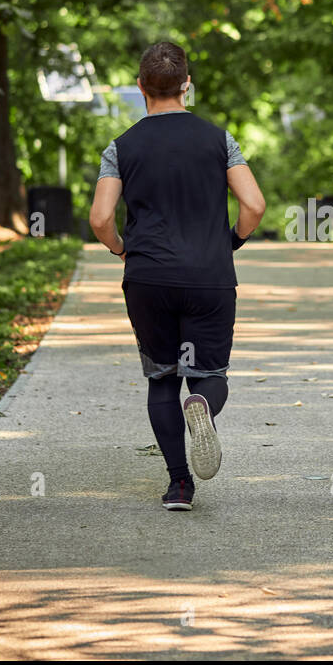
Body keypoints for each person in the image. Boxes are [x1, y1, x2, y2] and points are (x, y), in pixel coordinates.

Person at [90, 41, 266, 511]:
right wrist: (232, 241)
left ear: (141, 87)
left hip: (148, 279)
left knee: (162, 379)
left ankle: (179, 486)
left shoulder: (121, 147)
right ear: (187, 84)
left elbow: (100, 217)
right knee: (209, 375)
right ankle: (203, 406)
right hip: (209, 276)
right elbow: (254, 205)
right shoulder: (218, 139)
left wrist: (123, 250)